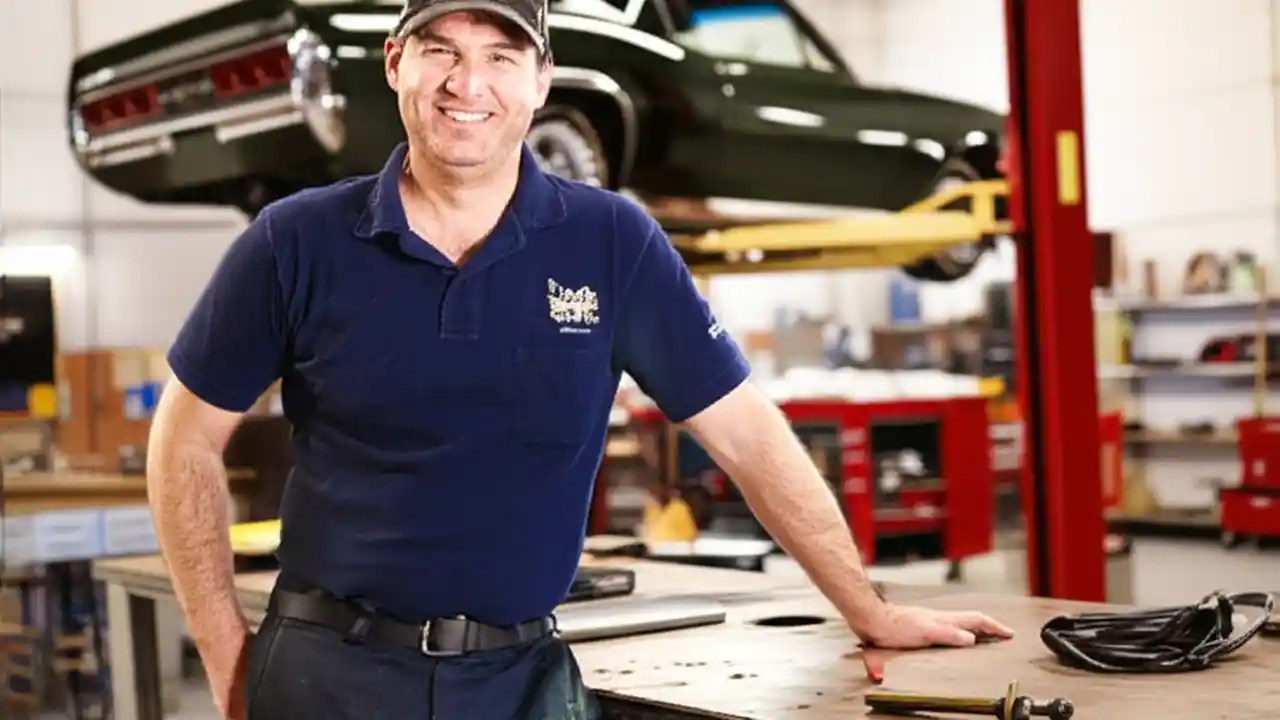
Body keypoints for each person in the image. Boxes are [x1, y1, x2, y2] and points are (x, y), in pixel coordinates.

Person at [144, 1, 1014, 718]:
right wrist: (228, 656)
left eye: (500, 54)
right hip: (324, 675)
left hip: (522, 678)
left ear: (542, 80)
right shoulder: (296, 241)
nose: (467, 83)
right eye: (440, 50)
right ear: (395, 62)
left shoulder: (612, 242)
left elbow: (747, 436)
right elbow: (182, 439)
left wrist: (868, 609)